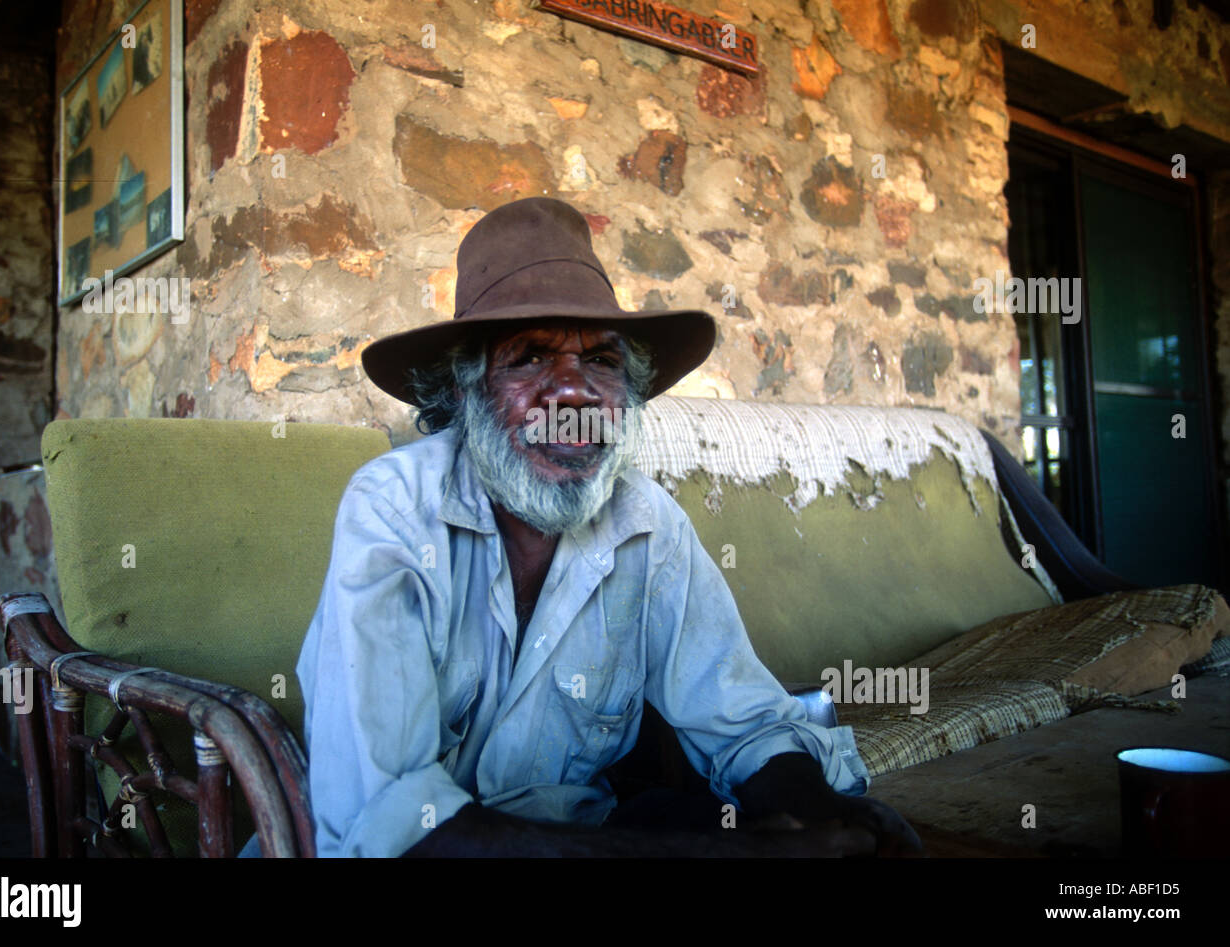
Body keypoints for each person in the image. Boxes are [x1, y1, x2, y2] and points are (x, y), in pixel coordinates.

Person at [295, 196, 923, 857]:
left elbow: (744, 723)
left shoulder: (646, 525)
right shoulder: (394, 510)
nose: (573, 392)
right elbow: (395, 824)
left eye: (602, 361)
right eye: (531, 357)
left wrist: (824, 812)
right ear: (464, 389)